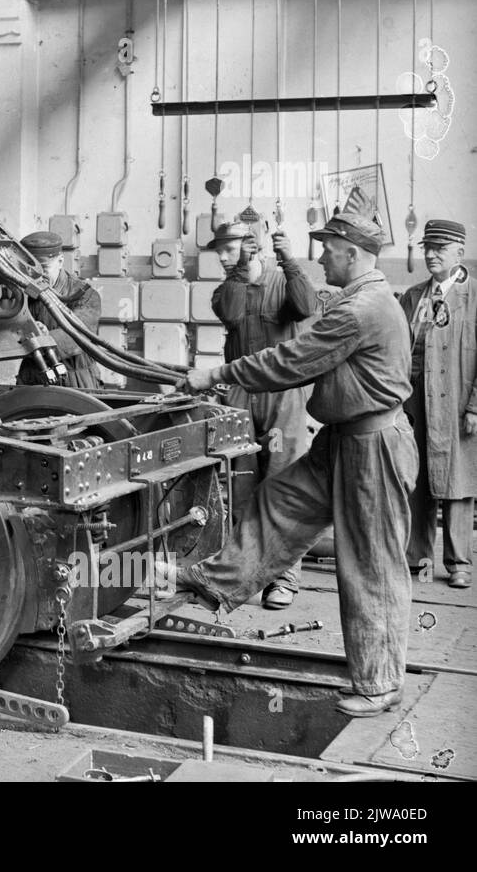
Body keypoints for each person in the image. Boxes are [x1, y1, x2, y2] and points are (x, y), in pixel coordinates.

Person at [167, 199, 417, 718]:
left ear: (352, 253)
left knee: (370, 561)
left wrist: (215, 374)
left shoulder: (360, 309)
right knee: (281, 499)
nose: (320, 255)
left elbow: (292, 360)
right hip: (343, 439)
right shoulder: (359, 297)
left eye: (327, 248)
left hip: (372, 447)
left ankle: (379, 683)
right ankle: (222, 581)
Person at [207, 220, 320, 609]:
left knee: (286, 485)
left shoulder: (282, 282)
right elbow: (231, 313)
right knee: (240, 489)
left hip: (283, 395)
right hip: (240, 394)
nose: (221, 256)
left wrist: (289, 259)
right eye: (219, 250)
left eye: (228, 248)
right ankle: (245, 575)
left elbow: (305, 306)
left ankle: (284, 579)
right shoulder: (227, 288)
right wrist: (240, 268)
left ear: (250, 245)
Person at [398, 219, 475, 589]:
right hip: (416, 404)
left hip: (459, 405)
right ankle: (418, 560)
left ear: (459, 252)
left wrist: (475, 406)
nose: (430, 254)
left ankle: (459, 562)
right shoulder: (412, 297)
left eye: (439, 249)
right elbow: (397, 354)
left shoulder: (474, 296)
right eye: (427, 247)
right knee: (418, 480)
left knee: (459, 483)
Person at [19, 230, 100, 388]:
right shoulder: (22, 292)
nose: (37, 275)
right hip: (31, 380)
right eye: (29, 270)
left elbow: (77, 337)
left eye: (43, 268)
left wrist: (44, 337)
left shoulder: (85, 294)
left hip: (76, 381)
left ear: (60, 261)